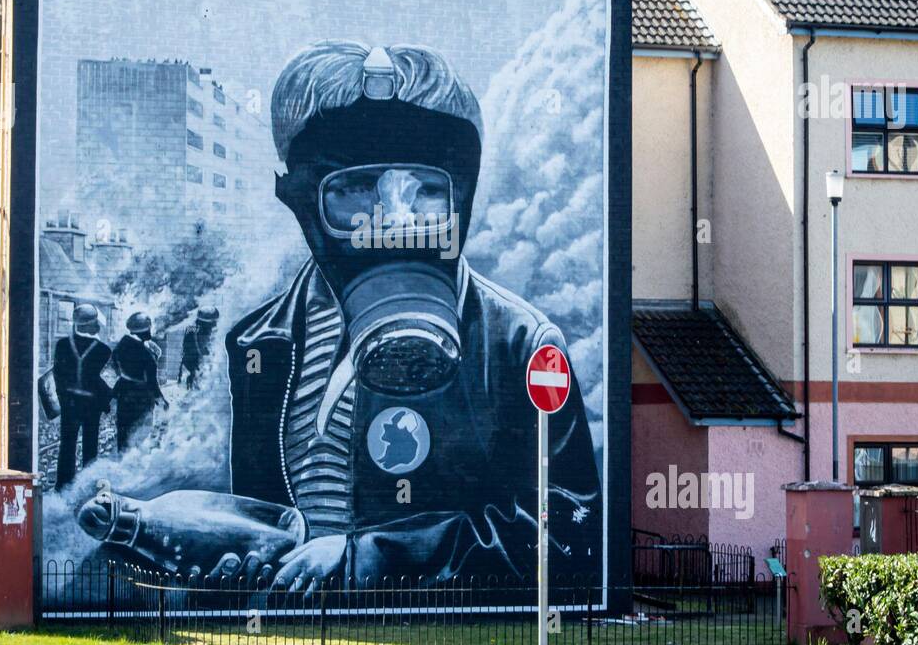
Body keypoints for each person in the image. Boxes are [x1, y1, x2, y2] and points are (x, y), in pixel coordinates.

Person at [79, 43, 601, 591]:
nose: (392, 222)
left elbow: (570, 535)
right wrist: (240, 557)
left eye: (423, 191)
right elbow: (269, 524)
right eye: (354, 191)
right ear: (298, 200)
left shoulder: (522, 347)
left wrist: (374, 560)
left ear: (463, 192)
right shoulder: (259, 345)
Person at [51, 304, 112, 490]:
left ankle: (63, 485)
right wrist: (107, 401)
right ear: (93, 325)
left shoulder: (61, 345)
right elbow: (98, 381)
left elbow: (57, 376)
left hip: (69, 404)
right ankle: (87, 485)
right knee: (90, 446)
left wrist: (63, 399)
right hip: (91, 405)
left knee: (67, 445)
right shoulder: (103, 350)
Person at [110, 312, 167, 453]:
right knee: (141, 433)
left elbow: (115, 367)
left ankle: (122, 460)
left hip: (123, 393)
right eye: (148, 328)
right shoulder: (146, 354)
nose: (150, 332)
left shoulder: (121, 345)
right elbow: (152, 383)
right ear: (143, 331)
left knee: (124, 431)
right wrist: (162, 400)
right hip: (142, 396)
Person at [179, 307, 219, 388]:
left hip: (191, 365)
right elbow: (202, 350)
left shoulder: (192, 328)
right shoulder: (199, 331)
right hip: (194, 366)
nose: (215, 324)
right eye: (213, 322)